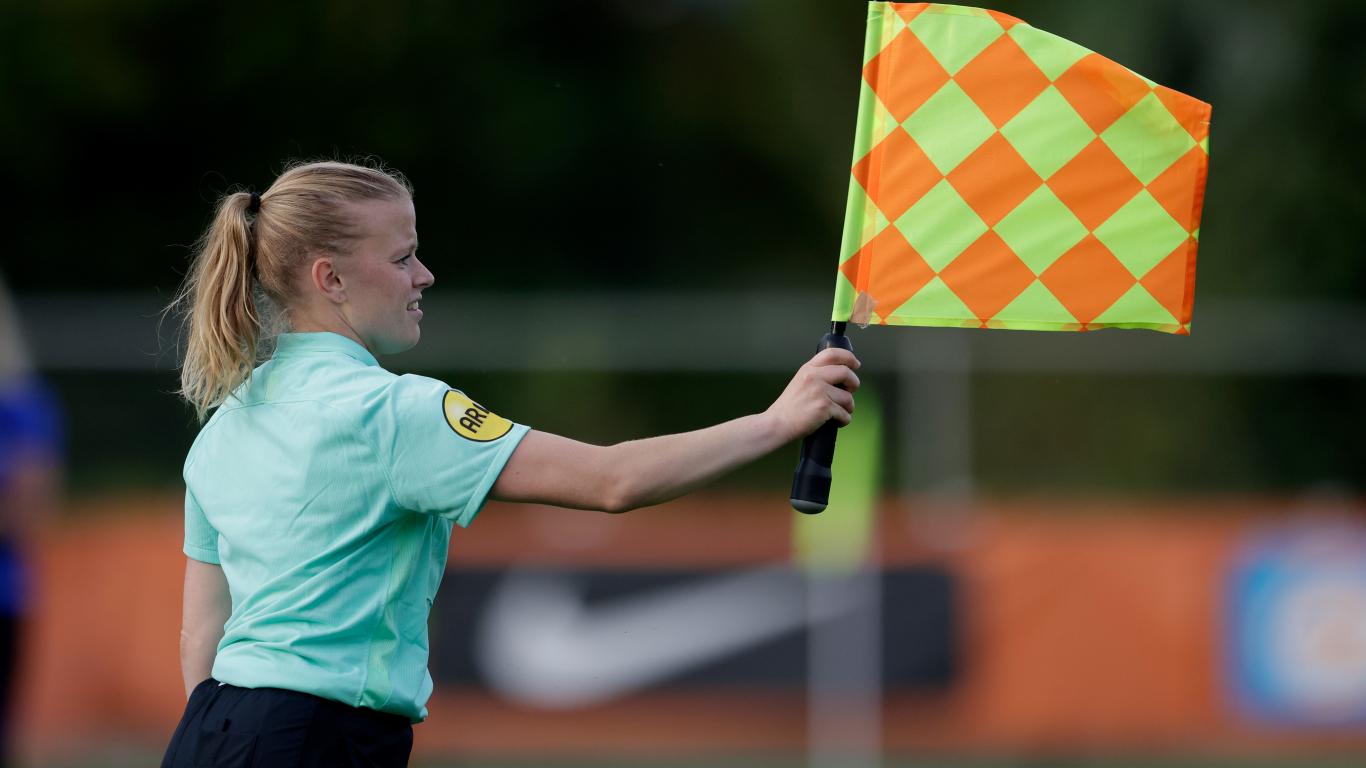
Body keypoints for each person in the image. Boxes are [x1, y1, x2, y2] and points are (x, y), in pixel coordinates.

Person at [160, 159, 859, 767]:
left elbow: (203, 637)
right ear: (331, 277)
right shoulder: (395, 414)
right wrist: (774, 423)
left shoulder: (228, 418)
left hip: (210, 731)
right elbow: (612, 481)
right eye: (402, 257)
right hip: (314, 738)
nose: (423, 275)